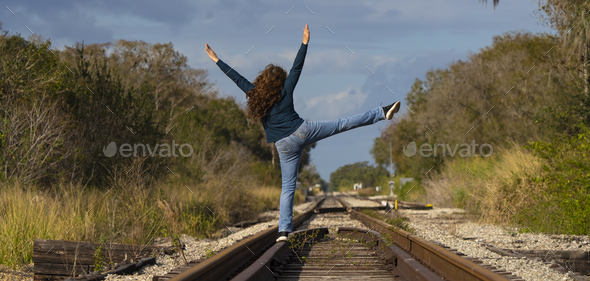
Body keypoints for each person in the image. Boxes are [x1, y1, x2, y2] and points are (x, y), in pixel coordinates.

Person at [206, 24, 400, 242]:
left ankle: (283, 232)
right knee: (342, 123)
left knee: (287, 187)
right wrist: (304, 42)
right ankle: (382, 112)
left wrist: (216, 60)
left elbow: (237, 78)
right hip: (302, 132)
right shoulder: (285, 88)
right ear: (280, 80)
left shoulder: (254, 94)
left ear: (262, 81)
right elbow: (297, 67)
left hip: (282, 145)